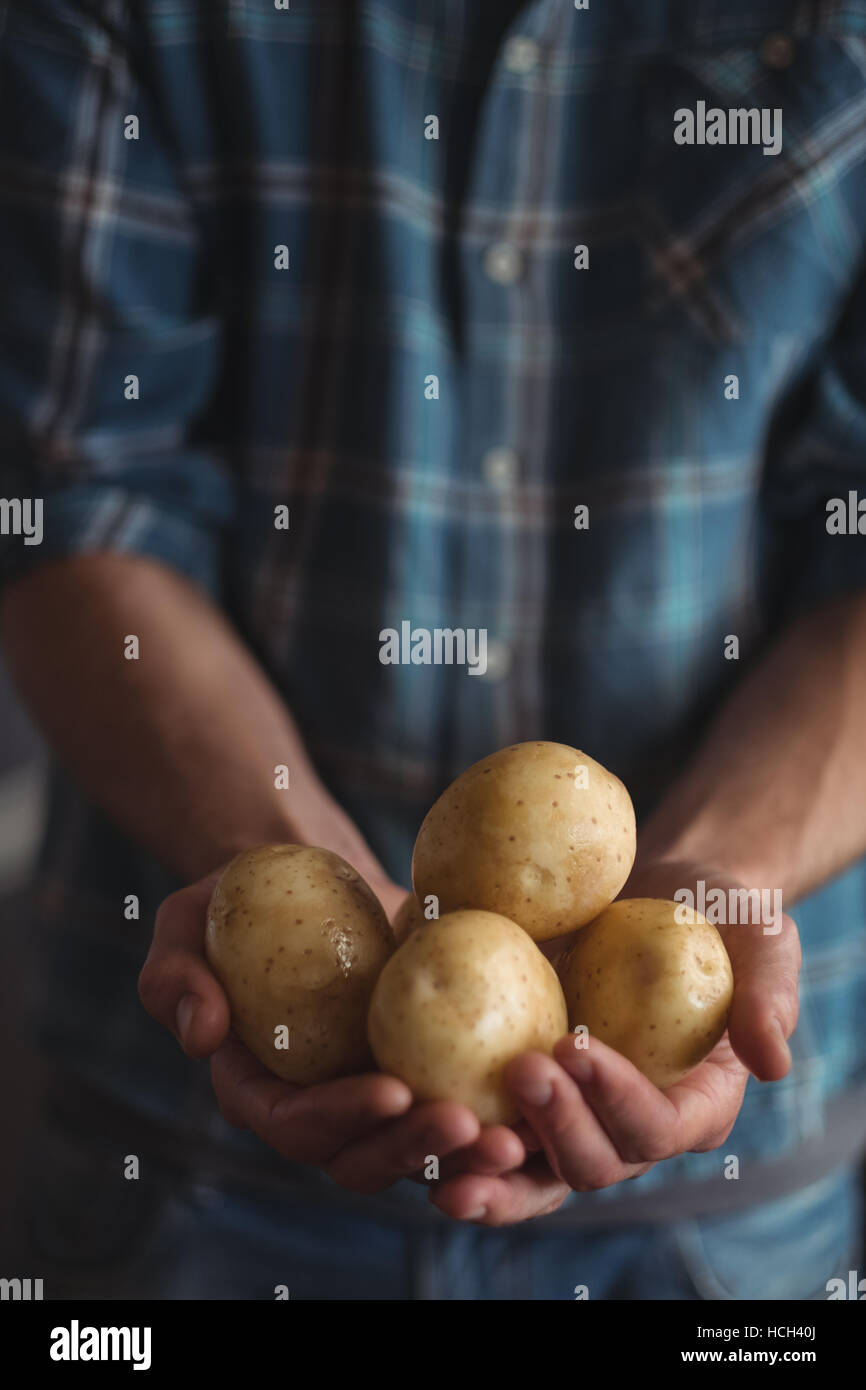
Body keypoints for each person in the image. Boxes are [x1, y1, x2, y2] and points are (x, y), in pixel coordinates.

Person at [1, 0, 864, 1301]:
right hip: (188, 1157)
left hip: (728, 1198)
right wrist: (269, 861)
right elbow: (71, 501)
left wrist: (724, 882)